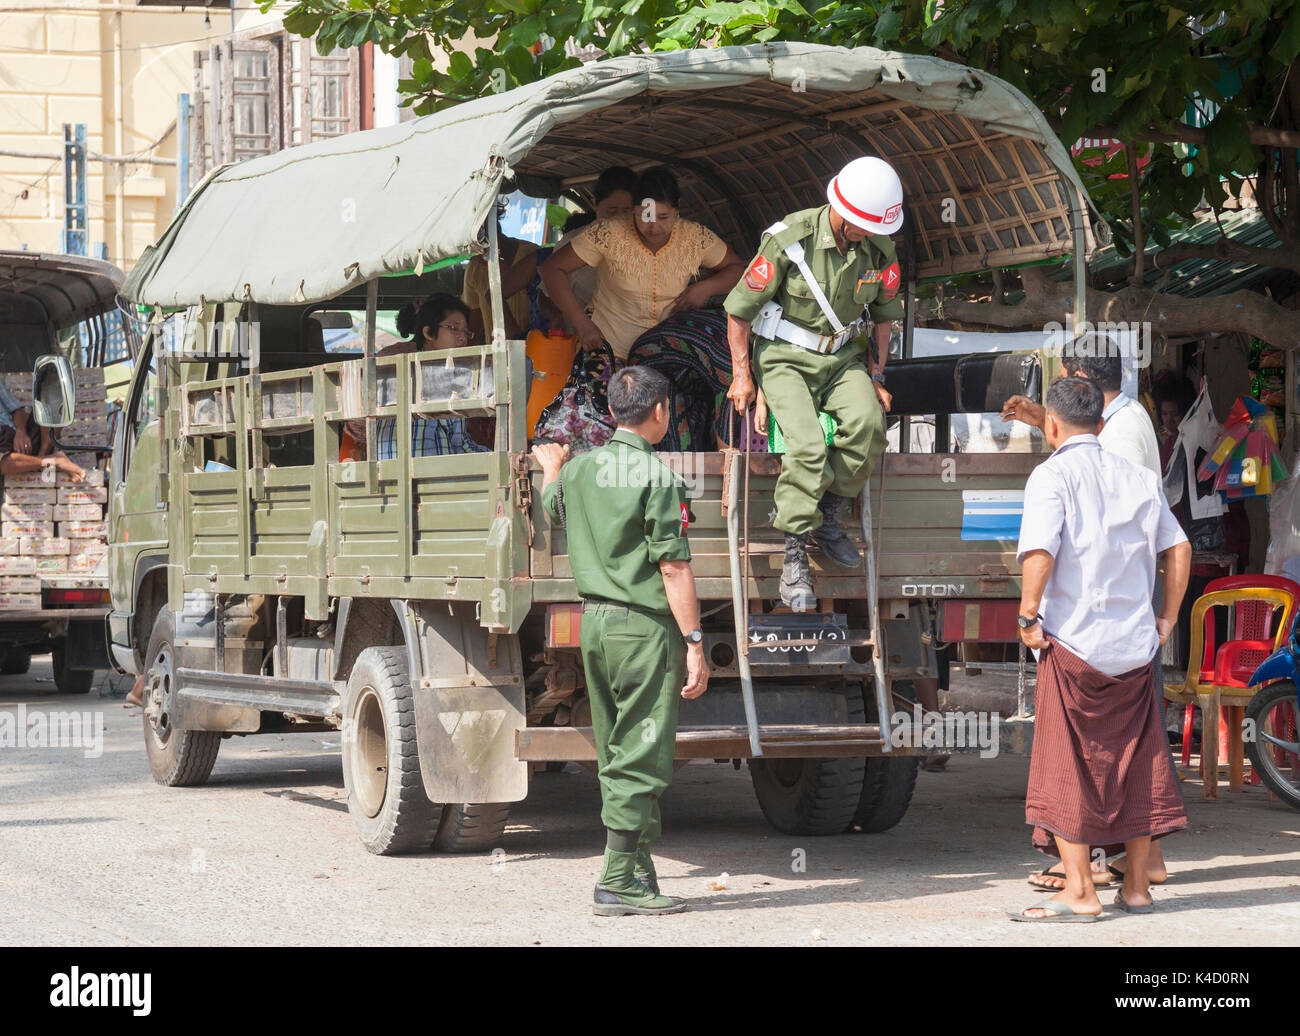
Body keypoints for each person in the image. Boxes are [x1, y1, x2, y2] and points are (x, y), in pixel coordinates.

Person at [1008, 377, 1190, 922]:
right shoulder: (1138, 475)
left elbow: (1039, 551)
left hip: (1074, 647)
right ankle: (1136, 888)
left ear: (1053, 426)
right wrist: (1168, 618)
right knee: (1137, 765)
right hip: (1135, 648)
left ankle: (1082, 892)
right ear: (1104, 425)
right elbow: (1177, 547)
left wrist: (1027, 615)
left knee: (1066, 765)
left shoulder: (1051, 475)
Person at [532, 365, 709, 916]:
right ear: (659, 413)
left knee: (616, 748)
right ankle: (616, 880)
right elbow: (675, 570)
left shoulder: (581, 471)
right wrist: (695, 642)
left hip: (597, 625)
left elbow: (552, 508)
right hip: (643, 630)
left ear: (611, 413)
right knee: (644, 753)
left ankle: (638, 869)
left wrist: (551, 468)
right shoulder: (658, 479)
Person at [723, 156, 905, 610]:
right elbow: (738, 311)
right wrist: (743, 376)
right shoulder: (791, 240)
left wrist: (877, 374)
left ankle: (826, 512)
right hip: (785, 358)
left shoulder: (880, 251)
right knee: (805, 445)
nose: (866, 233)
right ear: (839, 207)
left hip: (843, 359)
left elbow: (883, 317)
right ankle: (794, 553)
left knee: (868, 426)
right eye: (861, 224)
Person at [539, 166, 746, 362]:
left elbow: (739, 270)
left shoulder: (695, 238)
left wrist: (706, 288)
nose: (654, 227)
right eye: (644, 217)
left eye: (663, 217)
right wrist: (582, 324)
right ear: (634, 210)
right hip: (610, 350)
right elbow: (551, 269)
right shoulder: (609, 232)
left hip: (666, 351)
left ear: (678, 209)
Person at [372, 295, 490, 459]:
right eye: (454, 328)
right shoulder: (429, 376)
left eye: (466, 332)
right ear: (428, 333)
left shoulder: (446, 375)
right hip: (429, 474)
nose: (462, 338)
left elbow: (459, 442)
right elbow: (455, 446)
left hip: (403, 473)